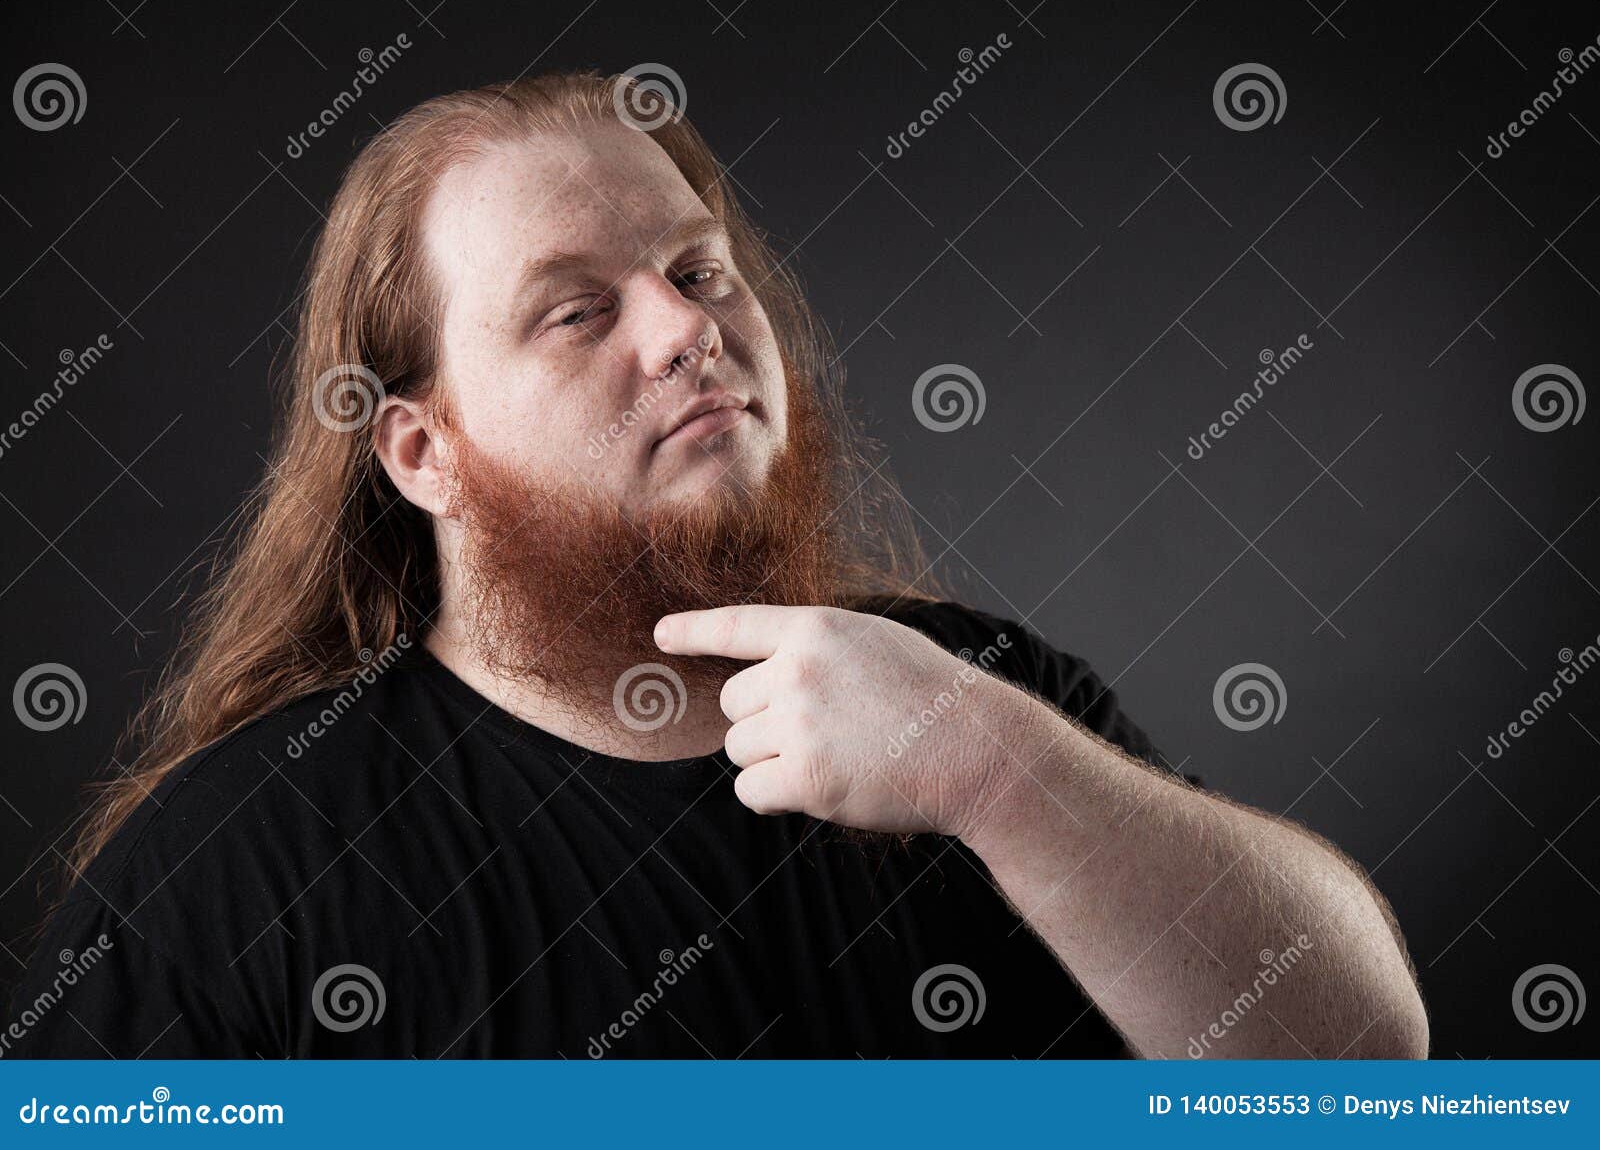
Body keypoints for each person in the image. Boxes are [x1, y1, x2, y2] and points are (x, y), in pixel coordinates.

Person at [2, 72, 1427, 1059]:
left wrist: (994, 770)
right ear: (421, 451)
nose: (685, 328)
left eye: (698, 271)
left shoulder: (985, 700)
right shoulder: (228, 879)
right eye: (575, 309)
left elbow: (1364, 1074)